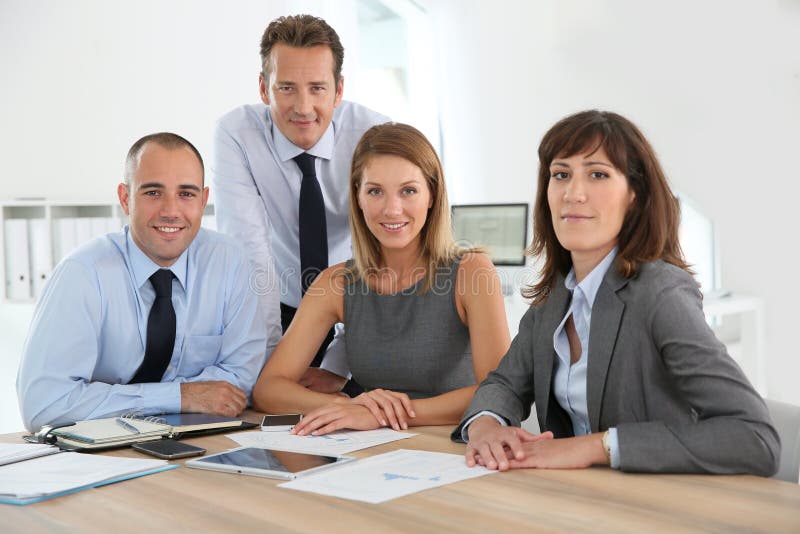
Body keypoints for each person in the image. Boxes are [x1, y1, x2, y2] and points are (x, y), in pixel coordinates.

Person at [454, 110, 780, 476]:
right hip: (579, 503)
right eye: (561, 175)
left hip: (656, 504)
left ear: (634, 196)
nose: (573, 193)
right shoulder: (554, 298)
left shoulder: (661, 294)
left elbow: (755, 437)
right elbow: (504, 383)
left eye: (598, 174)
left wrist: (596, 446)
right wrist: (485, 426)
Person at [252, 123, 510, 434]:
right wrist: (347, 408)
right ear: (358, 198)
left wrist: (383, 415)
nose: (391, 209)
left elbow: (498, 391)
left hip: (457, 447)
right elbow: (269, 389)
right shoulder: (335, 283)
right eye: (375, 191)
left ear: (432, 195)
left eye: (408, 190)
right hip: (374, 451)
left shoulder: (472, 271)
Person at [16, 133, 267, 431]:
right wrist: (180, 396)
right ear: (125, 198)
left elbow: (239, 380)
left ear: (203, 200)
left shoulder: (229, 261)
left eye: (186, 194)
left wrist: (107, 398)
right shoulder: (82, 273)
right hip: (96, 453)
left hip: (199, 439)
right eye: (153, 193)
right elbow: (43, 405)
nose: (171, 211)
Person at [211, 14, 389, 394]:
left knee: (361, 423)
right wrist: (278, 369)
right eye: (287, 88)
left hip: (360, 305)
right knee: (273, 417)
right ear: (264, 88)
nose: (303, 107)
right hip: (280, 305)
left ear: (338, 91)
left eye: (317, 88)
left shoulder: (373, 135)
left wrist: (338, 363)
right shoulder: (237, 135)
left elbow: (382, 253)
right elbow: (249, 251)